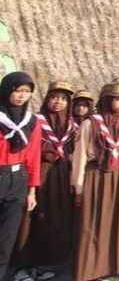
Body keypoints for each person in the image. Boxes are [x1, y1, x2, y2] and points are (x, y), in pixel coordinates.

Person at [72, 82, 119, 281]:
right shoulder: (89, 123)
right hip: (94, 175)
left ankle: (105, 267)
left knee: (112, 223)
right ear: (107, 99)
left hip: (117, 176)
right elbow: (80, 157)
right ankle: (87, 269)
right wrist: (78, 186)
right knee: (90, 223)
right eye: (117, 98)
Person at [12, 80, 73, 281]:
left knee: (53, 218)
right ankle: (22, 266)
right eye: (54, 97)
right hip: (38, 171)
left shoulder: (71, 123)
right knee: (30, 220)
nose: (58, 102)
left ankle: (45, 263)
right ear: (47, 98)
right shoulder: (35, 120)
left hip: (60, 176)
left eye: (63, 99)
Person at [0, 72, 41, 281]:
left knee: (7, 236)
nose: (22, 96)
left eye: (27, 92)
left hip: (18, 180)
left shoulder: (32, 122)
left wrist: (32, 190)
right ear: (7, 90)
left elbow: (33, 157)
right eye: (18, 91)